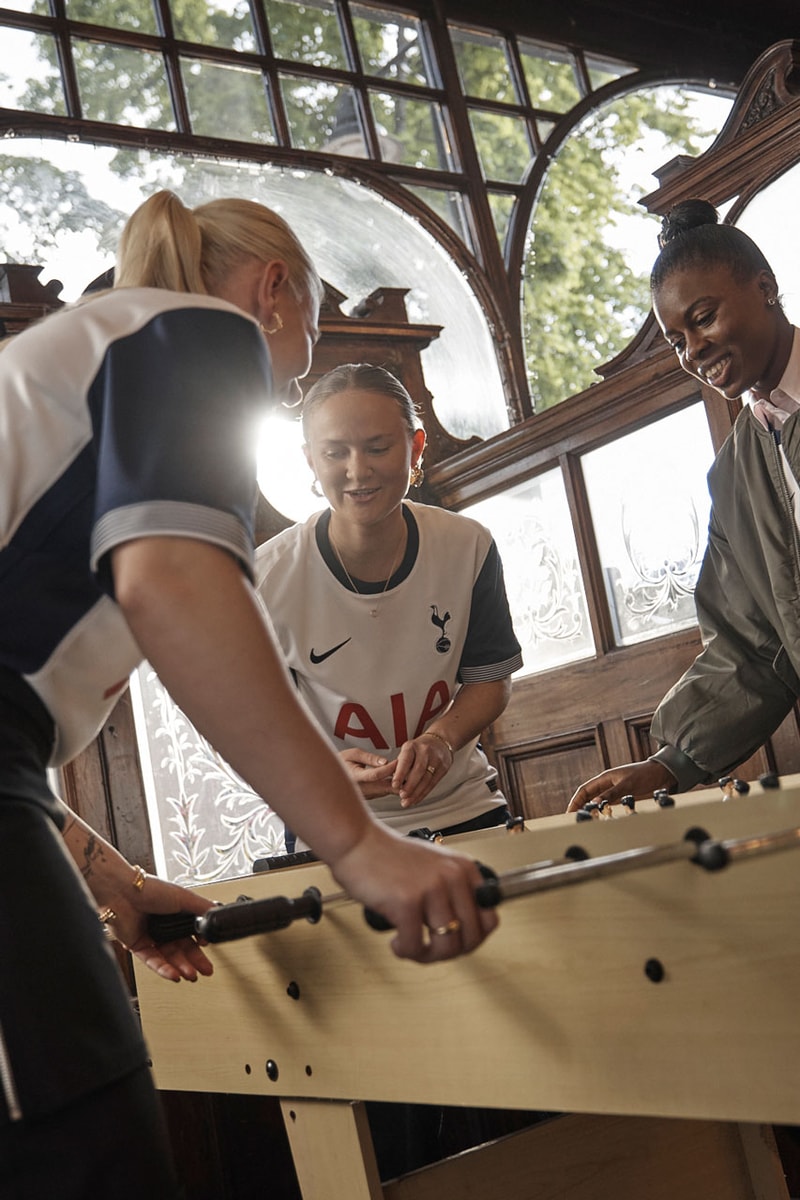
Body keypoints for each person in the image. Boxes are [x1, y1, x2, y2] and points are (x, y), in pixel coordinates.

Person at [0, 191, 497, 1199]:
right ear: (275, 293)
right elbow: (174, 583)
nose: (293, 368)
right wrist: (356, 844)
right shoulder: (194, 331)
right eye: (307, 341)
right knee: (87, 1140)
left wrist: (115, 882)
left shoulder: (101, 354)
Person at [567, 197, 798, 813]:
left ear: (766, 287)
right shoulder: (736, 472)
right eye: (676, 339)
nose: (693, 349)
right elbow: (752, 646)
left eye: (704, 318)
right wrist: (668, 763)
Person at [255, 362, 523, 844]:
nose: (358, 471)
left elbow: (491, 680)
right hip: (333, 827)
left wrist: (441, 740)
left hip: (465, 811)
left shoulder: (468, 546)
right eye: (335, 453)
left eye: (378, 447)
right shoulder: (265, 578)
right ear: (310, 460)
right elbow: (245, 722)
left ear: (415, 447)